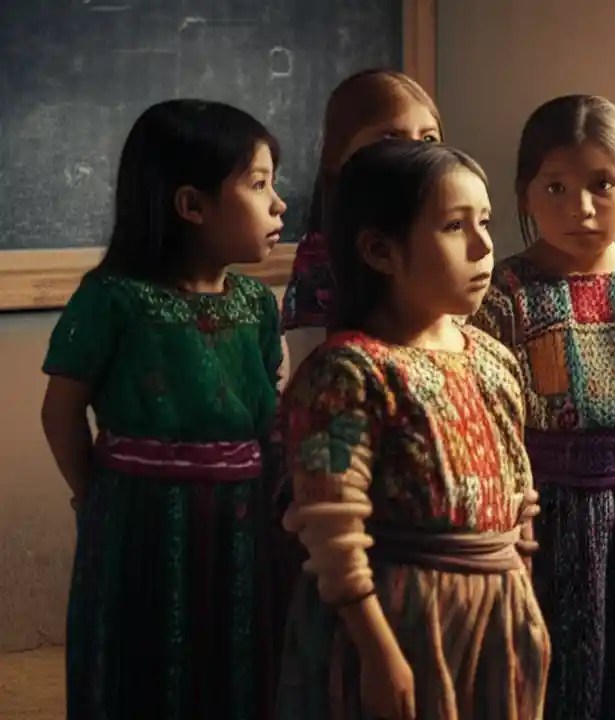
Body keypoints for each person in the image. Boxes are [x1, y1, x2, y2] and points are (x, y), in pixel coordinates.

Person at [274, 140, 548, 720]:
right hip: (401, 620)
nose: (483, 246)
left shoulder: (493, 358)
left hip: (495, 614)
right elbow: (330, 523)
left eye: (485, 222)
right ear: (379, 250)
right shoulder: (348, 373)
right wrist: (378, 649)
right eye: (454, 226)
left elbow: (517, 491)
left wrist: (518, 599)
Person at [40, 99, 287, 720]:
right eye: (259, 185)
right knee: (142, 660)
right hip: (137, 517)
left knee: (236, 656)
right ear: (192, 206)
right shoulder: (113, 299)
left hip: (242, 519)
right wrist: (94, 498)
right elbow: (61, 412)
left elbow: (269, 413)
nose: (279, 203)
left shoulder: (257, 304)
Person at [471, 94, 615, 720]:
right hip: (542, 512)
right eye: (556, 187)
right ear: (524, 194)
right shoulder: (504, 293)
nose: (580, 207)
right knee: (554, 651)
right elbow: (491, 423)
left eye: (603, 184)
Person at [280, 68, 442, 365]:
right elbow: (314, 368)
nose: (416, 152)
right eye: (392, 137)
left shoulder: (444, 238)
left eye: (429, 138)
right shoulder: (320, 258)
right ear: (337, 156)